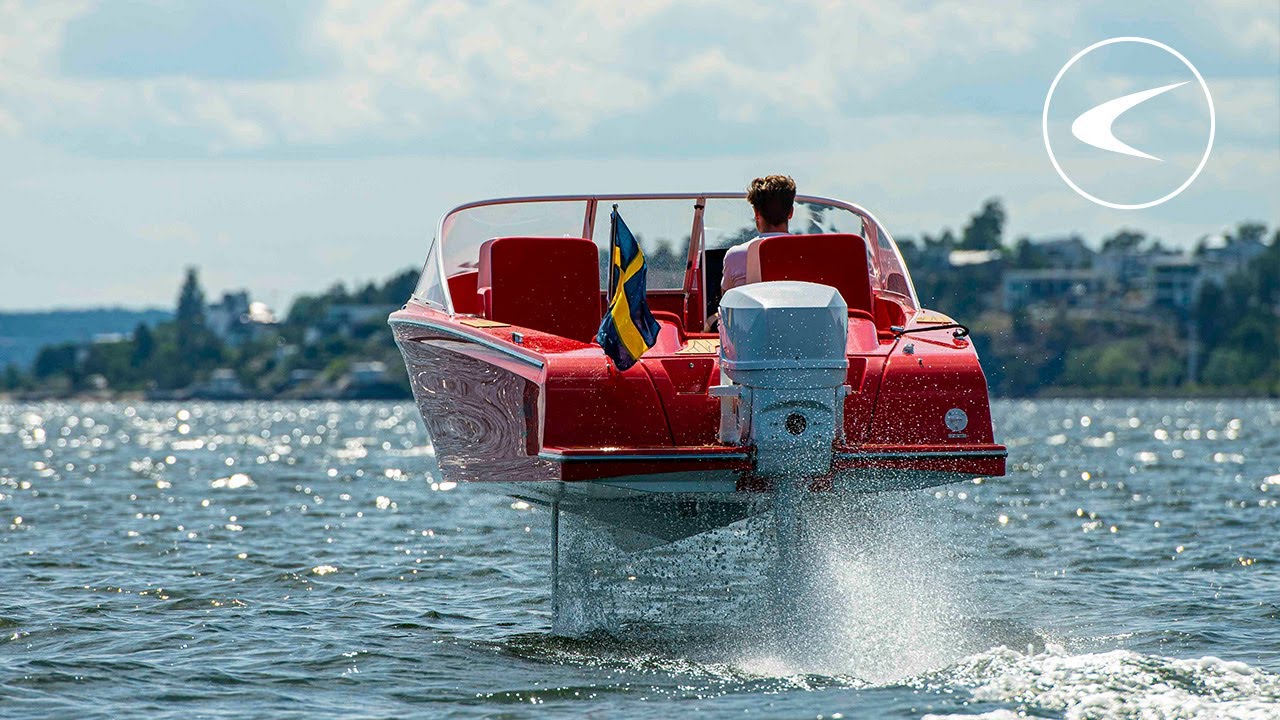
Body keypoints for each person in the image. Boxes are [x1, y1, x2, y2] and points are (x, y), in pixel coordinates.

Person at [721, 175, 796, 293]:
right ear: (791, 212)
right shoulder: (813, 253)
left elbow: (726, 305)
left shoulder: (735, 256)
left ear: (756, 213)